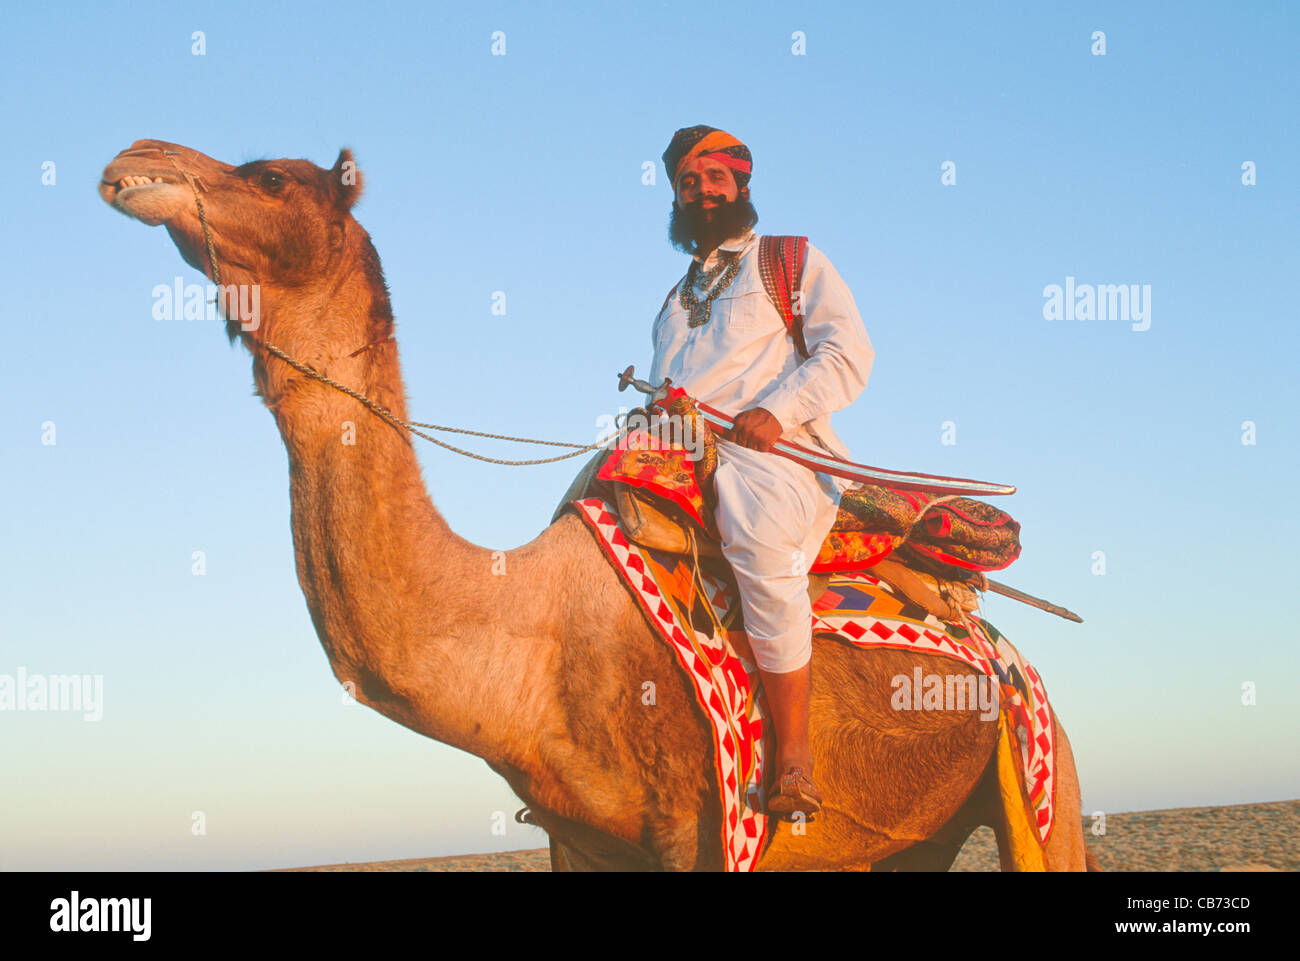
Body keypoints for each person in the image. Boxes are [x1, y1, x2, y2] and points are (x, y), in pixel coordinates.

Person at [649, 125, 874, 818]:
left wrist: (775, 410)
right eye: (689, 183)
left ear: (740, 185)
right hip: (684, 455)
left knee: (756, 531)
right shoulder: (669, 304)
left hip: (776, 454)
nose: (702, 191)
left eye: (714, 178)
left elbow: (848, 354)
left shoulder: (789, 260)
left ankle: (796, 757)